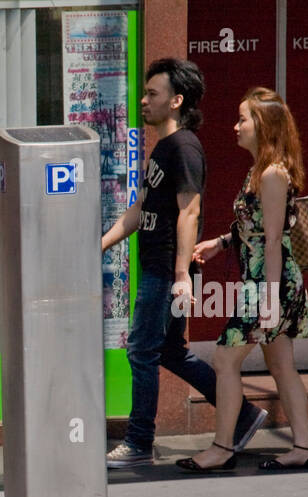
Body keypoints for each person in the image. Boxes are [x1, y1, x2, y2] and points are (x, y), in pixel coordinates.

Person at [101, 58, 268, 469]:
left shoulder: (185, 147)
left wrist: (180, 276)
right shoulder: (164, 148)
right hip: (161, 268)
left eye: (153, 93)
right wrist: (100, 244)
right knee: (170, 351)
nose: (144, 100)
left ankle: (139, 440)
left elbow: (189, 212)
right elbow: (142, 209)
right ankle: (243, 415)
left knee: (142, 350)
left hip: (166, 271)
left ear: (176, 101)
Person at [179, 87, 308, 472]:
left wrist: (269, 300)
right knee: (282, 364)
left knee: (224, 360)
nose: (235, 126)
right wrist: (221, 243)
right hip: (269, 281)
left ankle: (223, 447)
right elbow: (254, 230)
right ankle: (304, 446)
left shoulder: (272, 174)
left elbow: (273, 240)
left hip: (267, 284)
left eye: (243, 119)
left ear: (264, 125)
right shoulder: (262, 170)